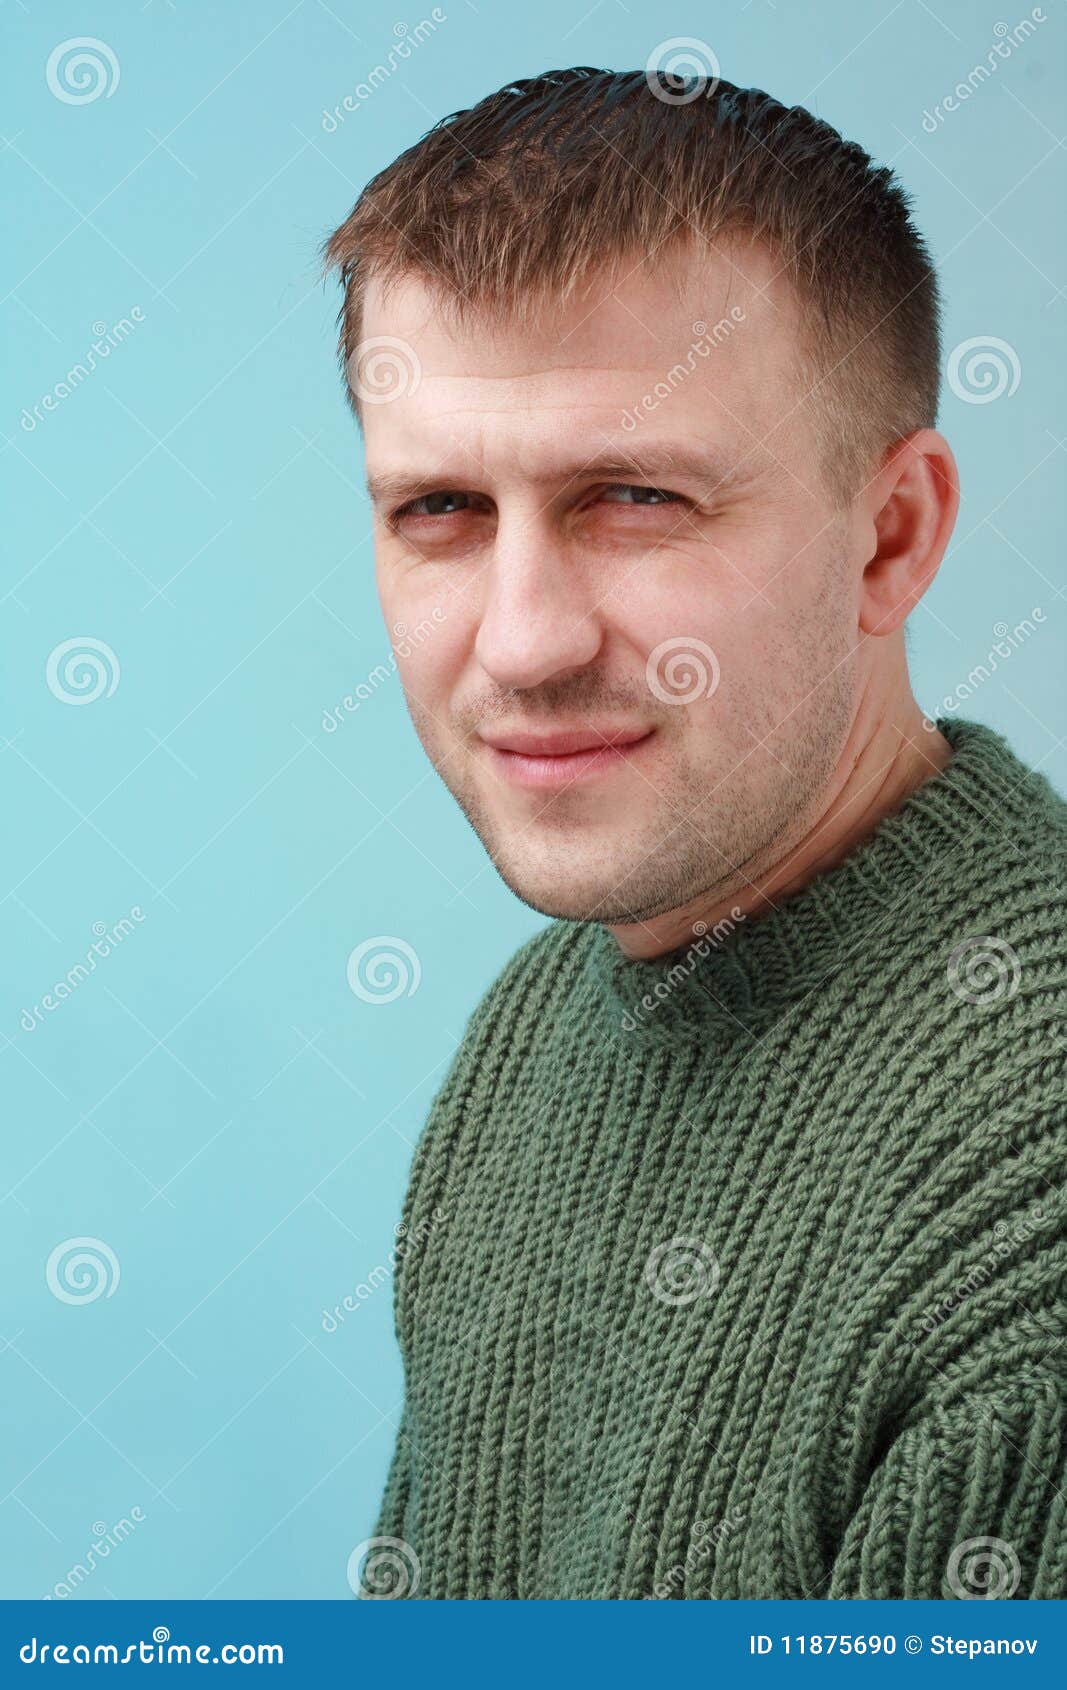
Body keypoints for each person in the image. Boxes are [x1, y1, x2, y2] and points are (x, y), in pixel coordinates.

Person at [325, 68, 1066, 1599]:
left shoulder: (1028, 1202)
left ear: (894, 534)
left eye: (636, 498)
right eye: (442, 509)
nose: (523, 642)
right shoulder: (542, 1019)